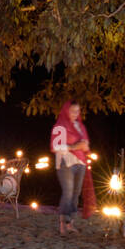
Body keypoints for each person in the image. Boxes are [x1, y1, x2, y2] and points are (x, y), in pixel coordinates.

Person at [50, 101, 90, 235]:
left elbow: (85, 144)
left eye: (78, 111)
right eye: (73, 111)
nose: (75, 114)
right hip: (65, 162)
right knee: (68, 192)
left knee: (76, 193)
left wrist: (84, 146)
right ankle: (62, 223)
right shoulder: (60, 126)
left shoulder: (81, 126)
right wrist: (74, 147)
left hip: (81, 162)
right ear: (66, 111)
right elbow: (55, 147)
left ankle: (70, 223)